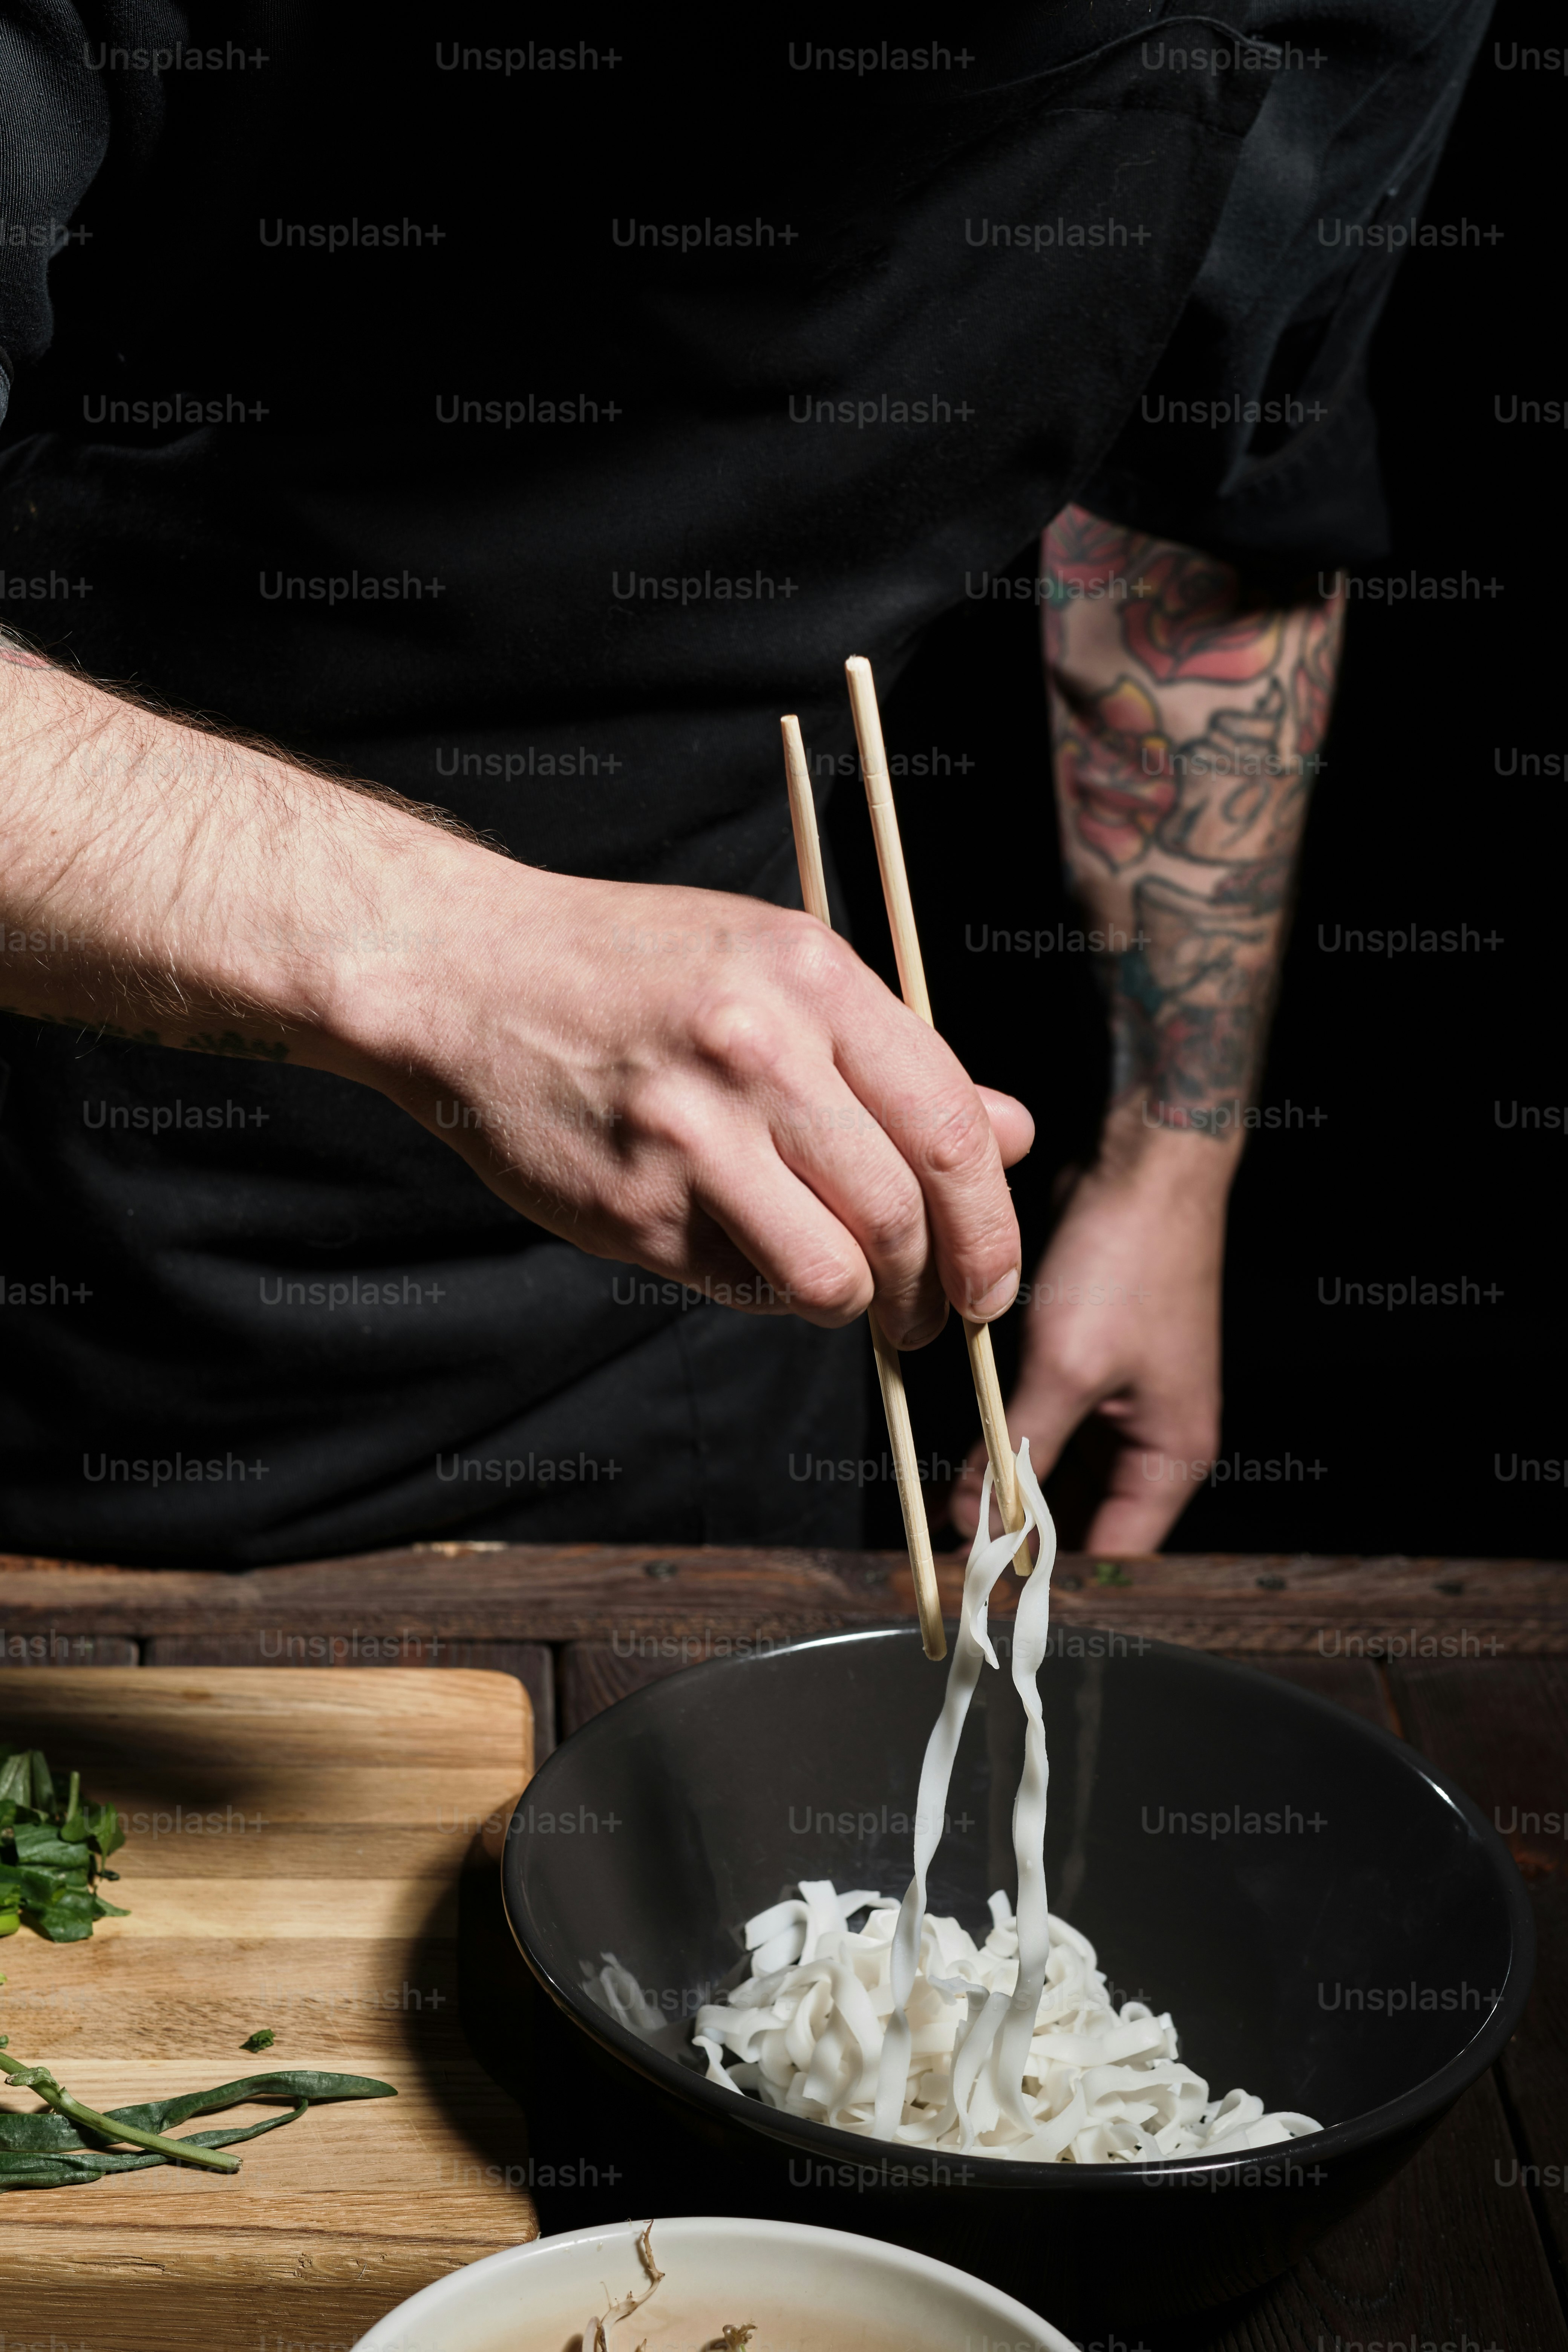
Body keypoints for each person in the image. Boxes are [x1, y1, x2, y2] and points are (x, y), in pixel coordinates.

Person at [0, 4, 1487, 1568]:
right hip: (66, 1184)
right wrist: (456, 957)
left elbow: (1205, 499)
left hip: (701, 1277)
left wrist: (1165, 1165)